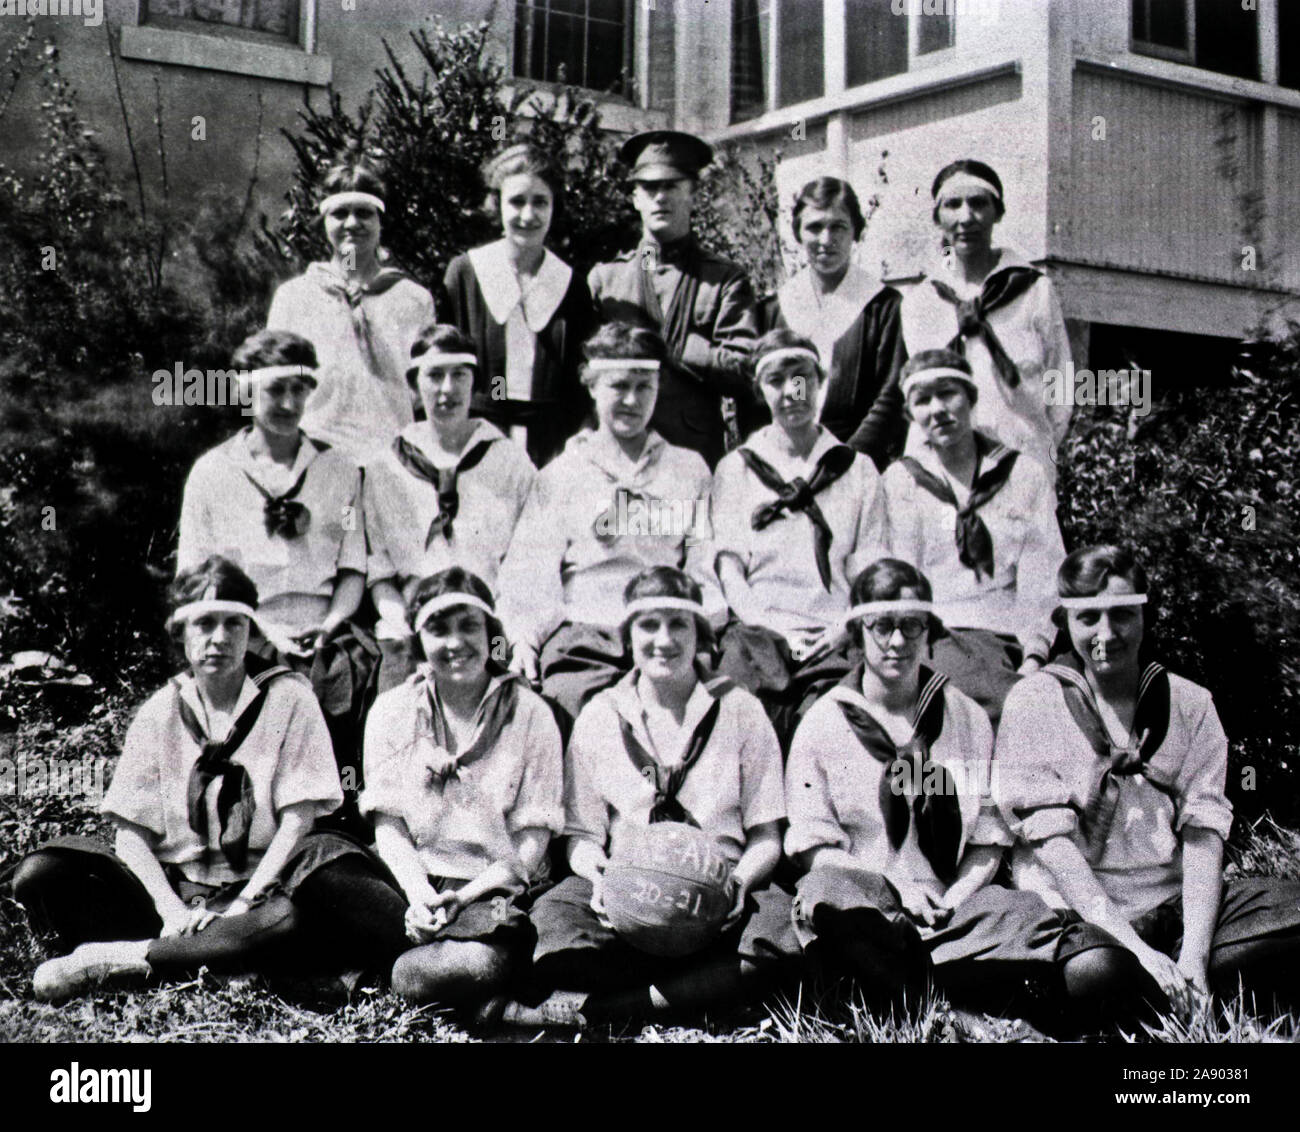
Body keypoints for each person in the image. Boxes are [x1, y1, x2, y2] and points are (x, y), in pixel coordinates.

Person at [14, 558, 351, 1002]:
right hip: (179, 891)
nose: (220, 638)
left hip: (261, 889)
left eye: (235, 623)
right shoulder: (161, 710)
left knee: (291, 914)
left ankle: (134, 959)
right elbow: (130, 835)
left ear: (253, 631)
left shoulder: (289, 699)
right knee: (42, 873)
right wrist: (170, 909)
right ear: (180, 632)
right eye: (205, 623)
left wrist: (244, 904)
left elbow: (298, 821)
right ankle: (216, 960)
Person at [997, 545, 1300, 1024]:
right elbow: (1055, 851)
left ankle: (1182, 984)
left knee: (1293, 908)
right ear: (1065, 621)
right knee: (1097, 968)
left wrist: (1195, 956)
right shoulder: (1033, 702)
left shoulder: (1190, 703)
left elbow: (1203, 836)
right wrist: (1135, 949)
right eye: (1088, 618)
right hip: (1081, 914)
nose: (1106, 634)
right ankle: (1161, 990)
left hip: (1172, 907)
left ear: (1145, 614)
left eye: (1122, 615)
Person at [500, 567, 797, 1028]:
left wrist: (739, 881)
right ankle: (699, 989)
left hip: (719, 890)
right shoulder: (601, 714)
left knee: (782, 933)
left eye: (678, 623)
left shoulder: (739, 709)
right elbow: (581, 836)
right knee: (552, 925)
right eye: (648, 625)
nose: (664, 639)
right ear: (627, 636)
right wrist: (598, 878)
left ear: (699, 633)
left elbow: (766, 835)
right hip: (629, 892)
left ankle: (609, 1009)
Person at [785, 558, 1076, 1018]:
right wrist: (893, 889)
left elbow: (988, 840)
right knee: (824, 896)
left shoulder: (966, 717)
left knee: (1030, 914)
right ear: (858, 631)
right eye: (882, 626)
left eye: (912, 626)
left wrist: (955, 898)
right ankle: (945, 998)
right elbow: (812, 847)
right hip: (870, 902)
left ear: (930, 632)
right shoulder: (823, 722)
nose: (897, 641)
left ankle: (899, 988)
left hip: (950, 909)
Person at [176, 329, 376, 832]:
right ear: (246, 390)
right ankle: (251, 828)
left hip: (328, 629)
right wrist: (262, 628)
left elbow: (353, 569)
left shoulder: (339, 469)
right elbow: (195, 581)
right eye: (274, 389)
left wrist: (330, 623)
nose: (288, 403)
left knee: (345, 688)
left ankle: (340, 829)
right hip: (244, 629)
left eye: (298, 390)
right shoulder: (213, 472)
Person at [352, 569, 564, 1011]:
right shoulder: (392, 710)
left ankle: (382, 974)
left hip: (488, 890)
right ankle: (420, 967)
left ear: (492, 634)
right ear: (418, 640)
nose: (455, 643)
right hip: (405, 884)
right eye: (438, 629)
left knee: (480, 960)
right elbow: (387, 823)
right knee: (320, 863)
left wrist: (462, 898)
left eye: (469, 626)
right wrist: (418, 895)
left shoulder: (530, 714)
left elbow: (531, 843)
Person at [497, 322, 724, 722]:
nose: (632, 400)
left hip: (665, 633)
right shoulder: (562, 474)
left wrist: (704, 634)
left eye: (644, 386)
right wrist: (525, 642)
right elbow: (530, 572)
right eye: (619, 386)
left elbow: (703, 565)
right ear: (591, 384)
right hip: (588, 632)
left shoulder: (689, 470)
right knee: (571, 715)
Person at [873, 349, 1064, 726]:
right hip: (928, 637)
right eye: (922, 401)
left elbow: (1042, 576)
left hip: (1007, 637)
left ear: (971, 398)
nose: (937, 409)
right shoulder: (901, 482)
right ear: (911, 415)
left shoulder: (1022, 474)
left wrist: (1033, 658)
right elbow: (898, 582)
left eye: (948, 393)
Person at [711, 330, 882, 740]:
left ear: (821, 381)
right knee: (737, 725)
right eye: (775, 381)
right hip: (759, 632)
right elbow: (730, 569)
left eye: (802, 377)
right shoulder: (737, 469)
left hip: (835, 633)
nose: (792, 392)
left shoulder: (858, 469)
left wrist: (845, 625)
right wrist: (769, 626)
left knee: (835, 727)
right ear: (759, 391)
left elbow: (871, 571)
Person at [364, 324, 535, 691]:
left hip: (491, 622)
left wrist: (507, 629)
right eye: (435, 375)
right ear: (413, 386)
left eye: (459, 375)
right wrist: (406, 625)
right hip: (410, 626)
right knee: (396, 705)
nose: (447, 389)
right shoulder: (386, 467)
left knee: (516, 697)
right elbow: (379, 573)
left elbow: (525, 565)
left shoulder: (510, 462)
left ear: (474, 382)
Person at [588, 130, 759, 467]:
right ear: (635, 198)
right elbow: (583, 374)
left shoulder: (723, 279)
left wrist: (687, 350)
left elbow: (745, 368)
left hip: (691, 452)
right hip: (618, 453)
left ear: (693, 195)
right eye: (650, 188)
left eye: (672, 186)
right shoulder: (605, 280)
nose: (660, 198)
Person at [899, 159, 1072, 481]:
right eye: (953, 205)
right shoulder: (920, 302)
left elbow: (1061, 387)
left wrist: (1033, 451)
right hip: (945, 475)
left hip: (1022, 470)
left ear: (998, 212)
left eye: (979, 203)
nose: (966, 217)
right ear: (938, 218)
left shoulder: (1033, 290)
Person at [267, 159, 436, 462]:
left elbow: (425, 392)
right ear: (323, 223)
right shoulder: (293, 298)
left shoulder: (413, 299)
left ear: (380, 221)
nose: (352, 223)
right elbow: (276, 387)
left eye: (364, 213)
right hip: (315, 453)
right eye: (340, 213)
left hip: (392, 456)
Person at [442, 143, 594, 466]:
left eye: (540, 202)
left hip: (552, 449)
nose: (528, 215)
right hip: (475, 445)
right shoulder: (466, 273)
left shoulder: (572, 285)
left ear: (555, 207)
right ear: (496, 206)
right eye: (516, 202)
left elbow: (581, 386)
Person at [759, 176, 906, 470]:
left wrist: (848, 461)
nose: (826, 240)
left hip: (859, 464)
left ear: (855, 232)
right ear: (798, 233)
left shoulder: (882, 305)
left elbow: (891, 395)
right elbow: (758, 398)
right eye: (814, 227)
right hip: (786, 464)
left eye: (838, 226)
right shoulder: (775, 308)